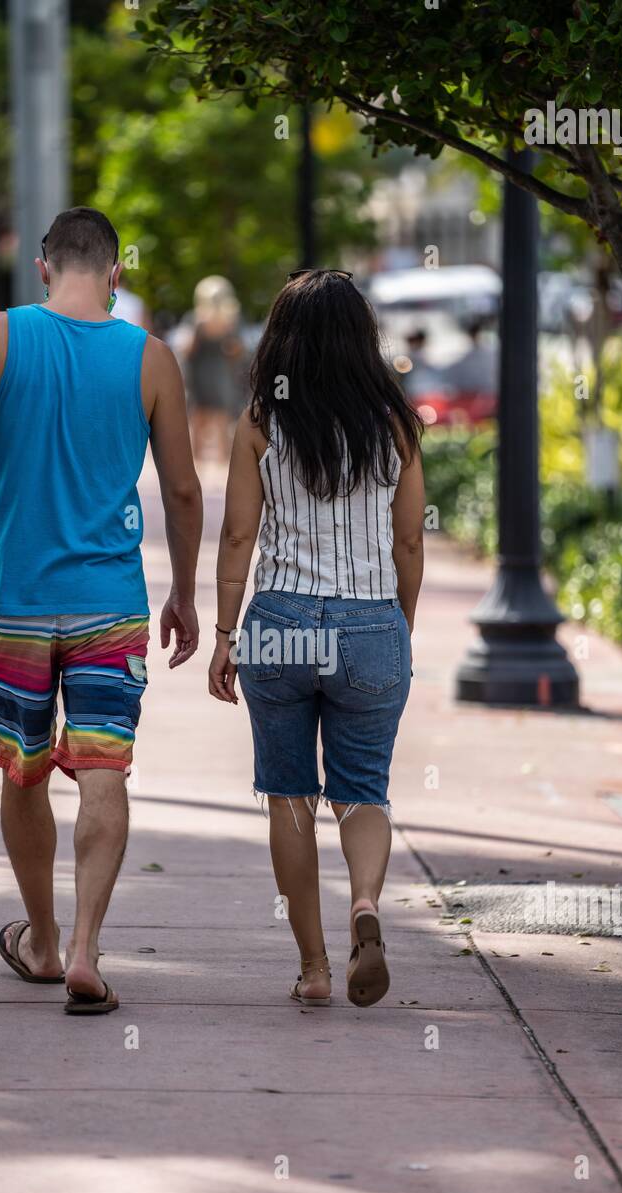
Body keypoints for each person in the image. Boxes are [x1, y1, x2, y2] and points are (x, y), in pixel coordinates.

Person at [0, 207, 202, 1016]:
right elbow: (183, 490)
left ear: (43, 268)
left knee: (25, 771)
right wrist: (183, 592)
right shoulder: (151, 359)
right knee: (103, 770)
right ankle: (84, 949)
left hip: (14, 605)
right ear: (116, 274)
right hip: (109, 608)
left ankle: (40, 941)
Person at [208, 269, 424, 1008]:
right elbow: (409, 547)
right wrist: (400, 628)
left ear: (283, 340)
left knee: (289, 797)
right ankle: (365, 904)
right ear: (362, 340)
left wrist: (223, 634)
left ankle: (314, 969)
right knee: (363, 794)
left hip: (280, 627)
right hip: (370, 624)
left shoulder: (262, 421)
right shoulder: (395, 424)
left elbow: (239, 535)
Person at [183, 276, 246, 463]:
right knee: (198, 419)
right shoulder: (194, 318)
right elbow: (187, 350)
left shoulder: (233, 319)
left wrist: (227, 332)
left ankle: (222, 468)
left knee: (222, 420)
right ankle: (196, 464)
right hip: (199, 376)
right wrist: (200, 328)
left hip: (221, 376)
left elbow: (237, 352)